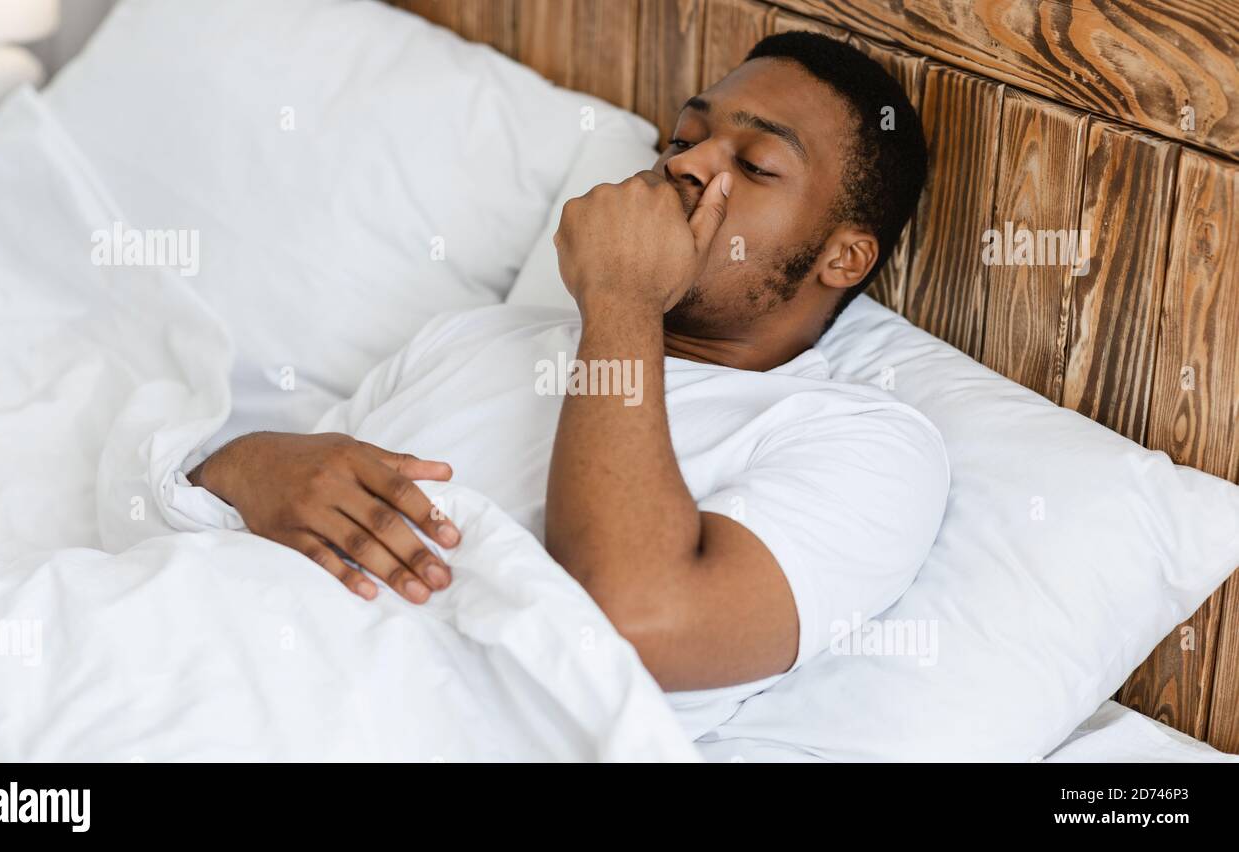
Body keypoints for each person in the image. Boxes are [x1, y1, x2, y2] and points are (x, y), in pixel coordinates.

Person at [184, 32, 948, 730]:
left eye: (753, 166)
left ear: (844, 258)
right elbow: (218, 515)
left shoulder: (866, 445)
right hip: (180, 650)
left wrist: (620, 297)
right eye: (685, 137)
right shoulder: (476, 338)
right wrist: (245, 465)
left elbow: (630, 622)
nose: (685, 164)